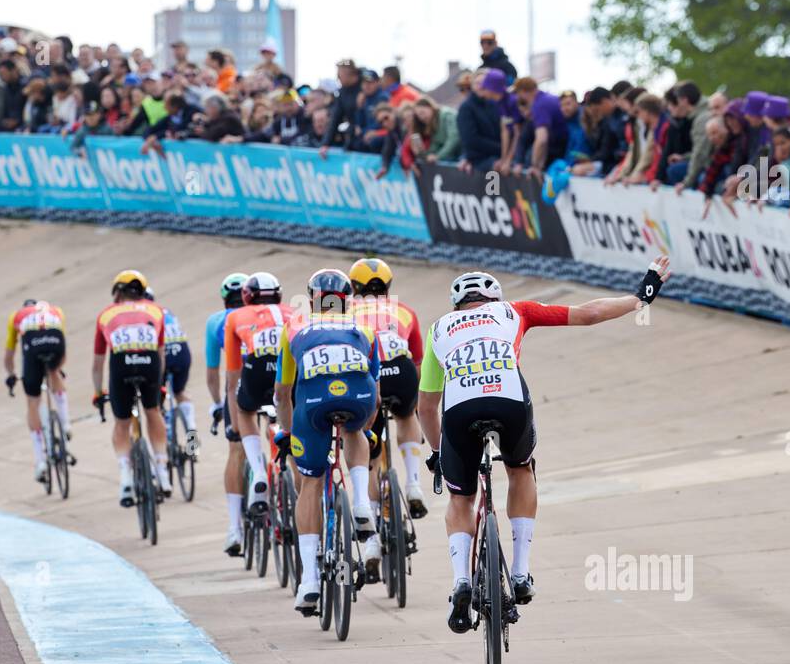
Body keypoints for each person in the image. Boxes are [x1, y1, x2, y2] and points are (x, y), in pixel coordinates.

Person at [416, 257, 672, 633]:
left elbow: (425, 407)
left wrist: (441, 455)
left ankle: (462, 582)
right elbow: (587, 314)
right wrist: (641, 296)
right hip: (509, 402)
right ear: (494, 299)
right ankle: (520, 573)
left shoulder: (439, 329)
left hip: (459, 410)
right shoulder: (515, 311)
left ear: (458, 306)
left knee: (461, 497)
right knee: (520, 470)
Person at [273, 269, 383, 613]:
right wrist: (364, 426)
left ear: (310, 301)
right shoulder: (365, 329)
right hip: (358, 399)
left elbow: (282, 392)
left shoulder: (293, 329)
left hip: (314, 406)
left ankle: (309, 582)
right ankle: (362, 503)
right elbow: (376, 397)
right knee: (357, 430)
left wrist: (289, 435)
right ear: (347, 300)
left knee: (311, 482)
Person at [347, 258, 428, 520]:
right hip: (401, 370)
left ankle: (369, 533)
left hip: (368, 375)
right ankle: (414, 484)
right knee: (406, 416)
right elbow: (418, 364)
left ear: (354, 287)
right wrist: (414, 405)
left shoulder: (344, 309)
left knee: (365, 444)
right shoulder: (404, 310)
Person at [91, 270, 171, 507]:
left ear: (117, 292)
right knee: (155, 410)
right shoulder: (157, 311)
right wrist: (161, 383)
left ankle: (125, 476)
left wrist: (98, 392)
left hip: (122, 364)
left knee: (122, 422)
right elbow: (161, 355)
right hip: (155, 364)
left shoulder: (106, 314)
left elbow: (98, 363)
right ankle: (165, 471)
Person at [223, 272, 288, 539]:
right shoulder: (292, 312)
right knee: (290, 425)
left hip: (254, 369)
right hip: (285, 373)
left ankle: (259, 473)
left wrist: (233, 422)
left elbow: (230, 376)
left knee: (245, 411)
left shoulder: (229, 318)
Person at [207, 273, 251, 554]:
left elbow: (213, 373)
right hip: (271, 378)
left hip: (238, 383)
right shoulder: (267, 314)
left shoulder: (217, 321)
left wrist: (215, 405)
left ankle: (234, 528)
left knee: (236, 449)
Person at [3, 299, 69, 484]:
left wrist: (11, 375)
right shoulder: (56, 311)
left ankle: (40, 460)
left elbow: (9, 354)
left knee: (33, 400)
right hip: (55, 344)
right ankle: (66, 425)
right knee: (54, 371)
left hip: (33, 350)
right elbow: (62, 346)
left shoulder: (16, 317)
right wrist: (58, 367)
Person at [143, 287, 197, 446]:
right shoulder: (166, 311)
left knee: (155, 400)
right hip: (181, 352)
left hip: (161, 355)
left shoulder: (142, 315)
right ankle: (192, 436)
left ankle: (165, 437)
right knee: (180, 392)